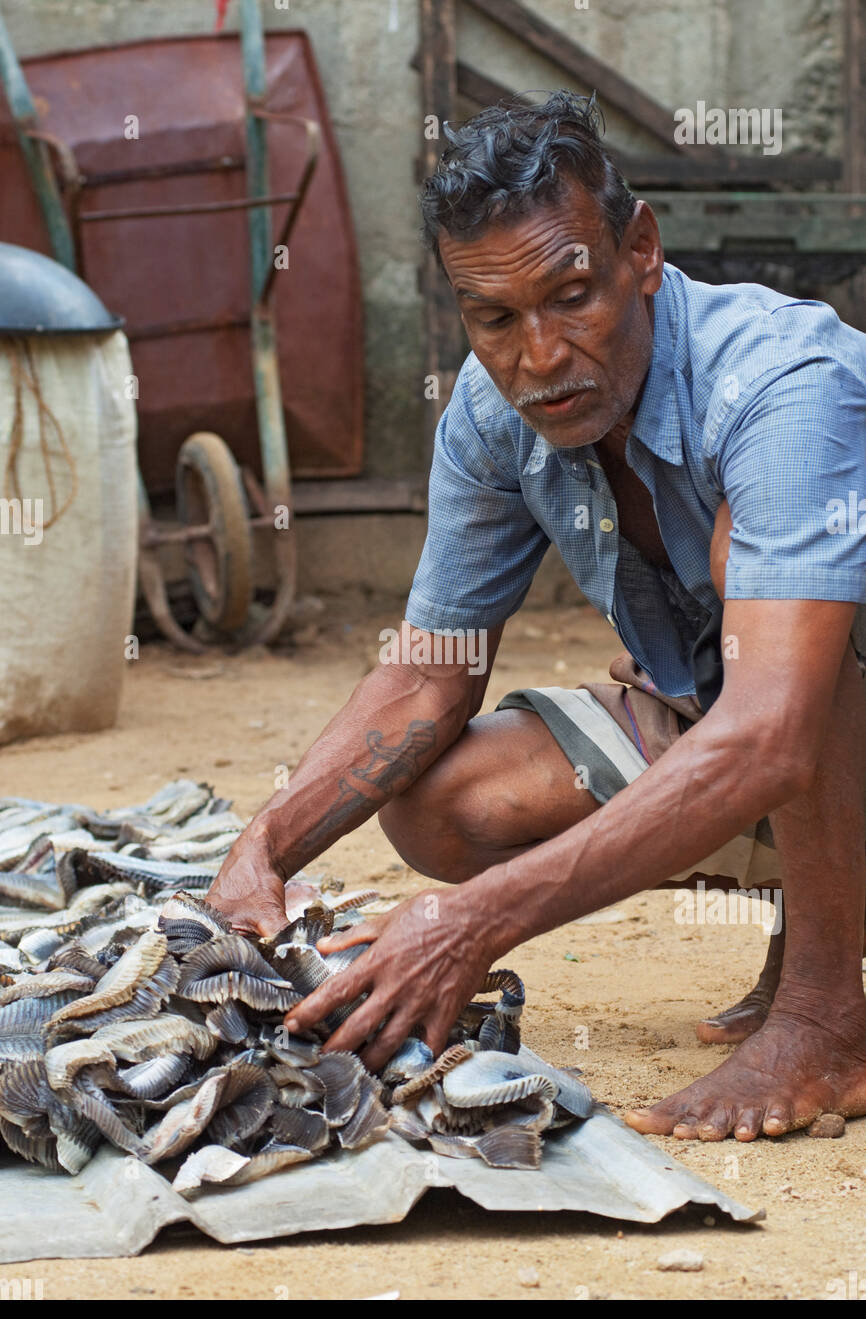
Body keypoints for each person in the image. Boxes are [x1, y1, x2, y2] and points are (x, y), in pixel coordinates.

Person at [208, 91, 866, 1143]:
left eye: (570, 296)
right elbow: (427, 674)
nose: (538, 356)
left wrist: (477, 922)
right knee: (442, 801)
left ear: (638, 251)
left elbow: (776, 727)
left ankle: (829, 1014)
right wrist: (263, 850)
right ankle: (821, 915)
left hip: (798, 719)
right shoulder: (488, 410)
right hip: (730, 721)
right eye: (494, 318)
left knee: (777, 630)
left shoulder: (780, 384)